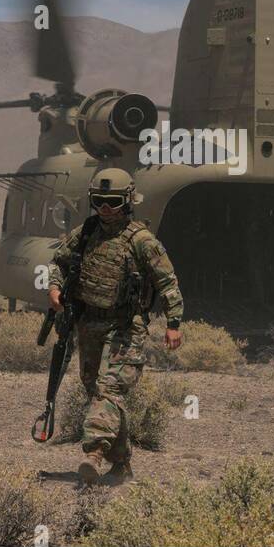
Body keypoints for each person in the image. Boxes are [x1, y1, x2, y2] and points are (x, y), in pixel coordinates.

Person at [47, 167, 183, 484]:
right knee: (95, 388)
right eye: (99, 201)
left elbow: (168, 283)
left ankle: (93, 453)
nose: (106, 208)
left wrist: (173, 323)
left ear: (127, 202)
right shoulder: (85, 233)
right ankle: (121, 464)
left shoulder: (142, 241)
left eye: (113, 202)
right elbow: (59, 262)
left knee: (109, 390)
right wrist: (54, 288)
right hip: (89, 323)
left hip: (126, 327)